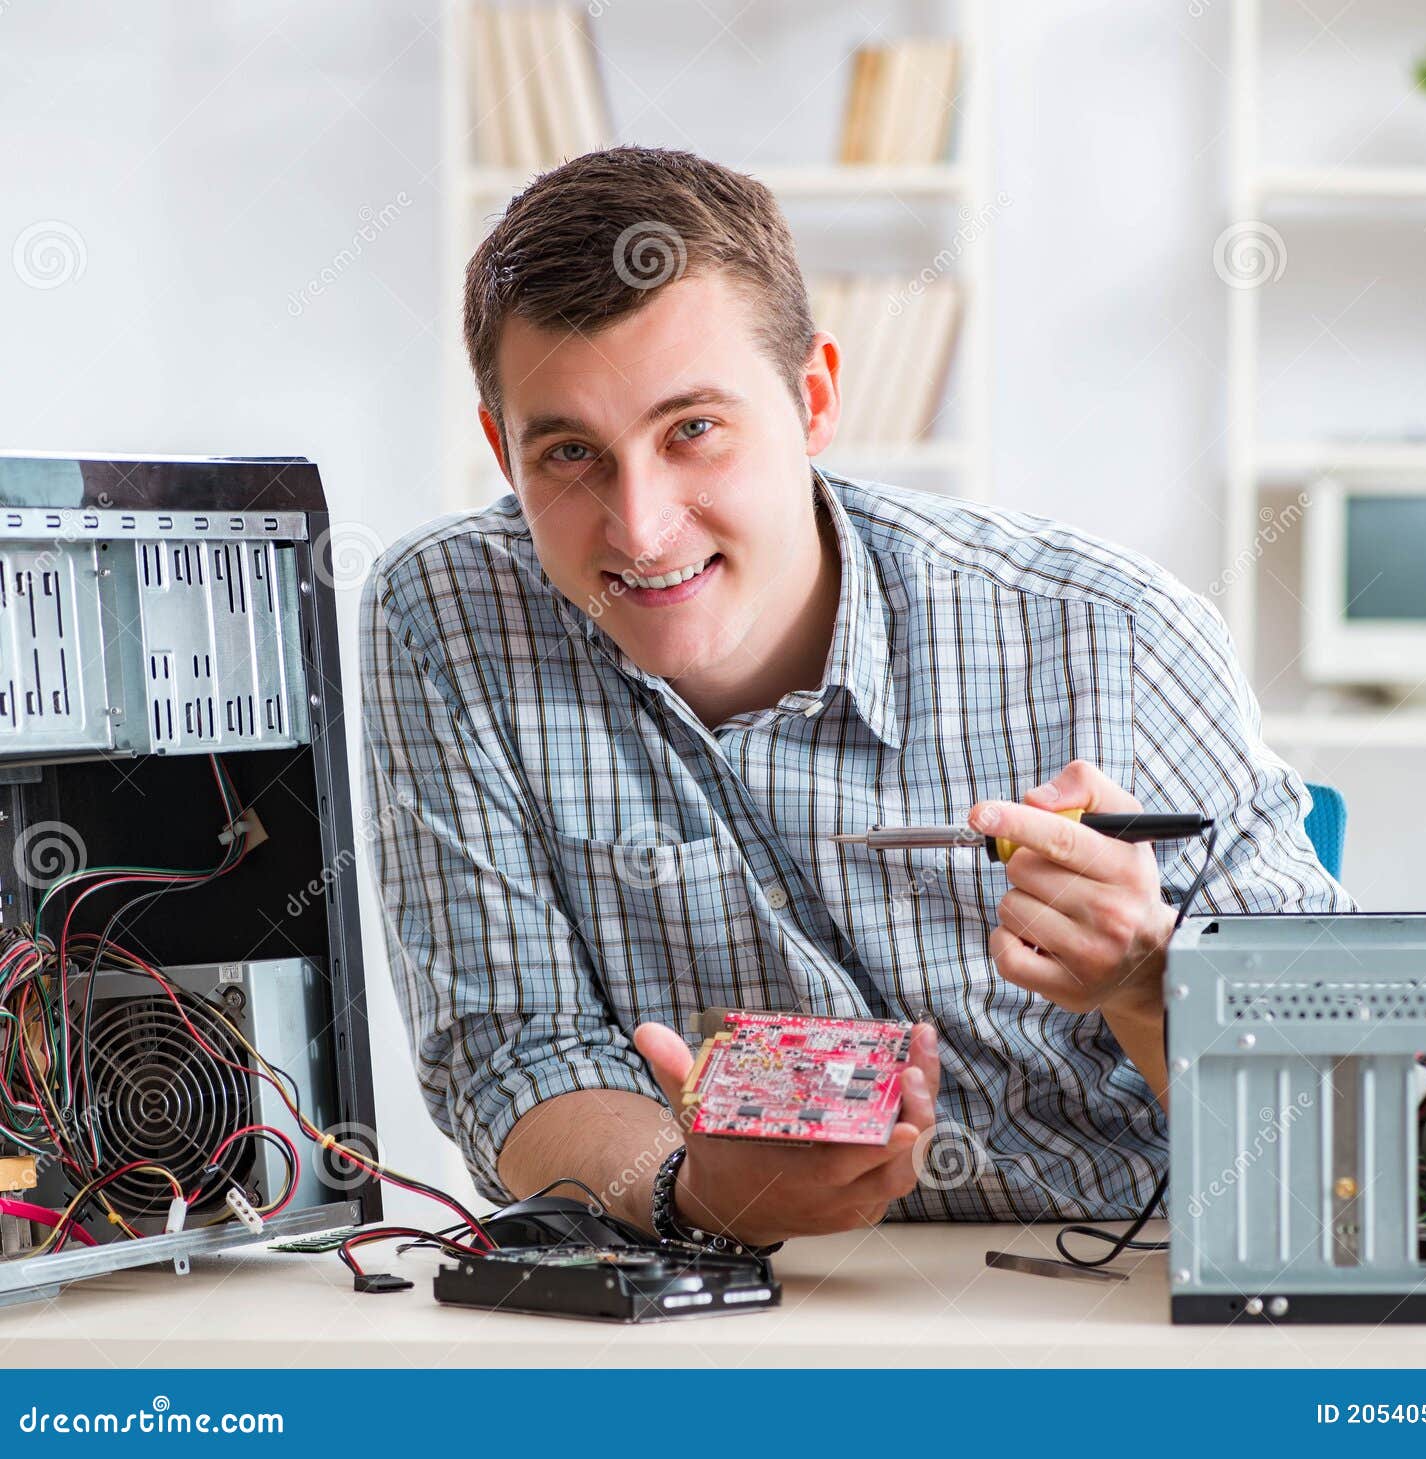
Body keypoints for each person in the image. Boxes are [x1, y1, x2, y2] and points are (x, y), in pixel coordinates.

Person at [360, 145, 1354, 1253]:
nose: (640, 527)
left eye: (694, 430)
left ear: (814, 397)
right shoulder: (443, 615)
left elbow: (1339, 1131)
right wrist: (688, 1192)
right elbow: (515, 1050)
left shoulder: (1107, 633)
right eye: (570, 453)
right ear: (503, 452)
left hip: (1118, 1288)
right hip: (723, 1306)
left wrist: (1148, 979)